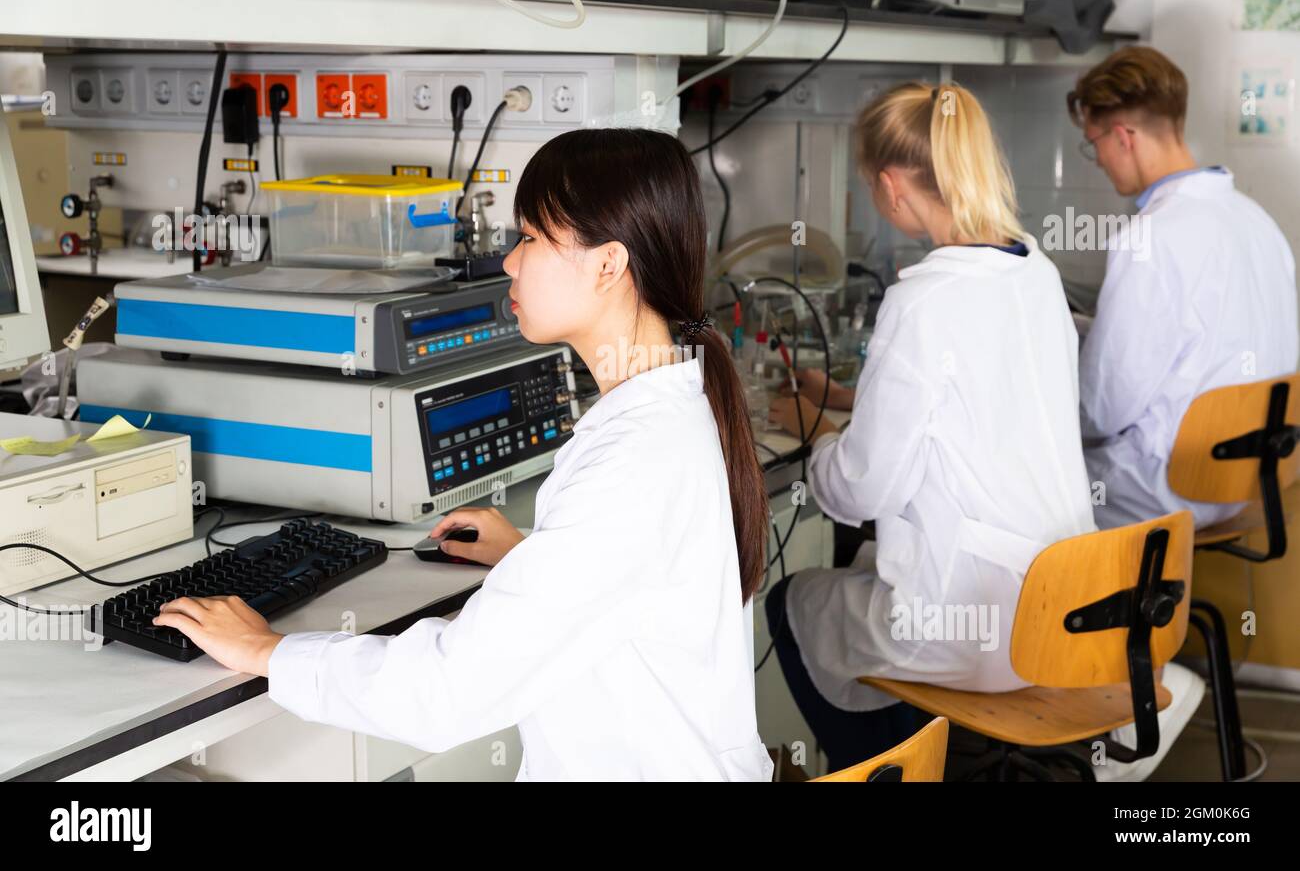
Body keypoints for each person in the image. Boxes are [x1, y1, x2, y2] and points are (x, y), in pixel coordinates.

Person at [153, 128, 775, 782]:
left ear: (608, 264)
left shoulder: (634, 459)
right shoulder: (678, 404)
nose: (509, 262)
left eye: (531, 237)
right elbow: (630, 579)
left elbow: (449, 692)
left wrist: (268, 651)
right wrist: (529, 556)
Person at [766, 82, 1096, 772]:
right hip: (1067, 601)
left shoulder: (922, 299)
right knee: (861, 576)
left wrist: (816, 431)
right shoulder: (1034, 268)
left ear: (889, 187)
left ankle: (902, 771)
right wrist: (851, 397)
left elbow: (864, 490)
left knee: (792, 603)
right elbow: (981, 403)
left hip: (978, 623)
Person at [1069, 45, 1298, 529]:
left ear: (1122, 137)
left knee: (1016, 482)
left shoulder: (1149, 239)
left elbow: (1101, 411)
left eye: (1094, 144)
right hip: (1252, 480)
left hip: (1162, 490)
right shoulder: (1256, 219)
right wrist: (1093, 330)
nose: (1099, 161)